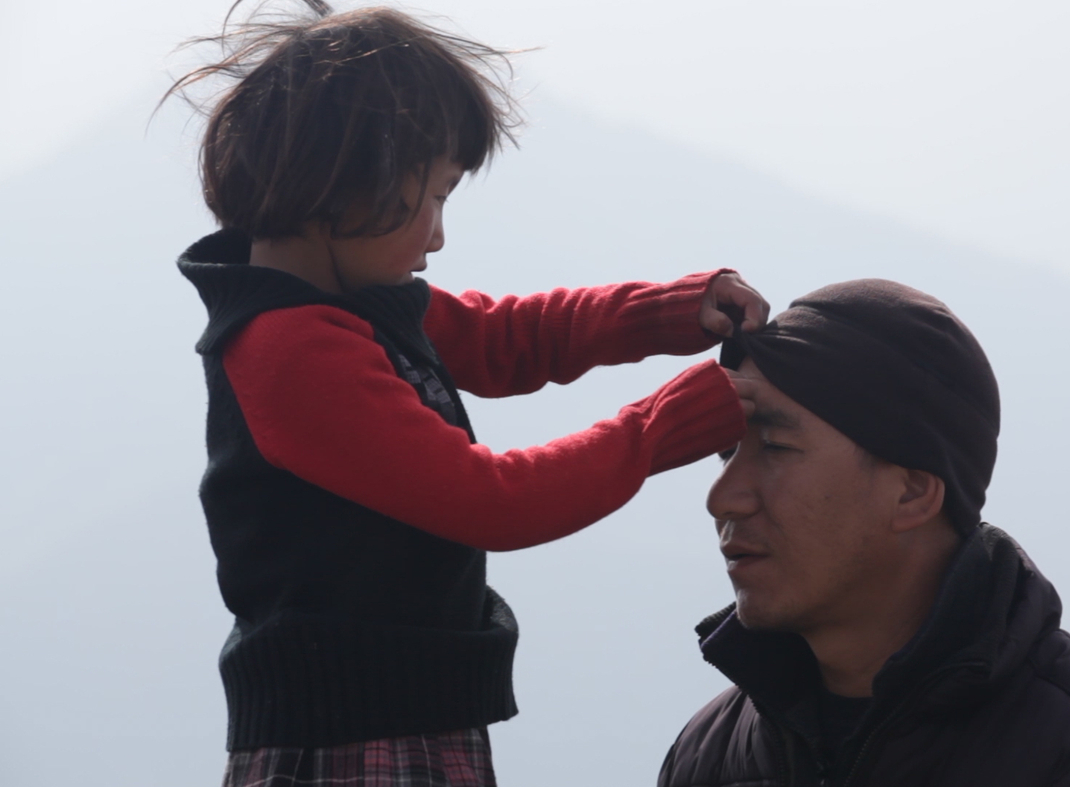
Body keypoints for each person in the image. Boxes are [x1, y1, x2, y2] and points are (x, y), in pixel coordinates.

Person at [166, 3, 767, 785]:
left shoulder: (351, 306)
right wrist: (659, 428)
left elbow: (505, 337)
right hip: (349, 741)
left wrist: (666, 309)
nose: (439, 236)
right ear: (349, 182)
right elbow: (494, 500)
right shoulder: (287, 350)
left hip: (409, 718)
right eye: (434, 197)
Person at [659, 280, 1070, 787]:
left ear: (914, 492)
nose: (722, 497)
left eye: (776, 448)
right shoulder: (711, 757)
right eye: (727, 452)